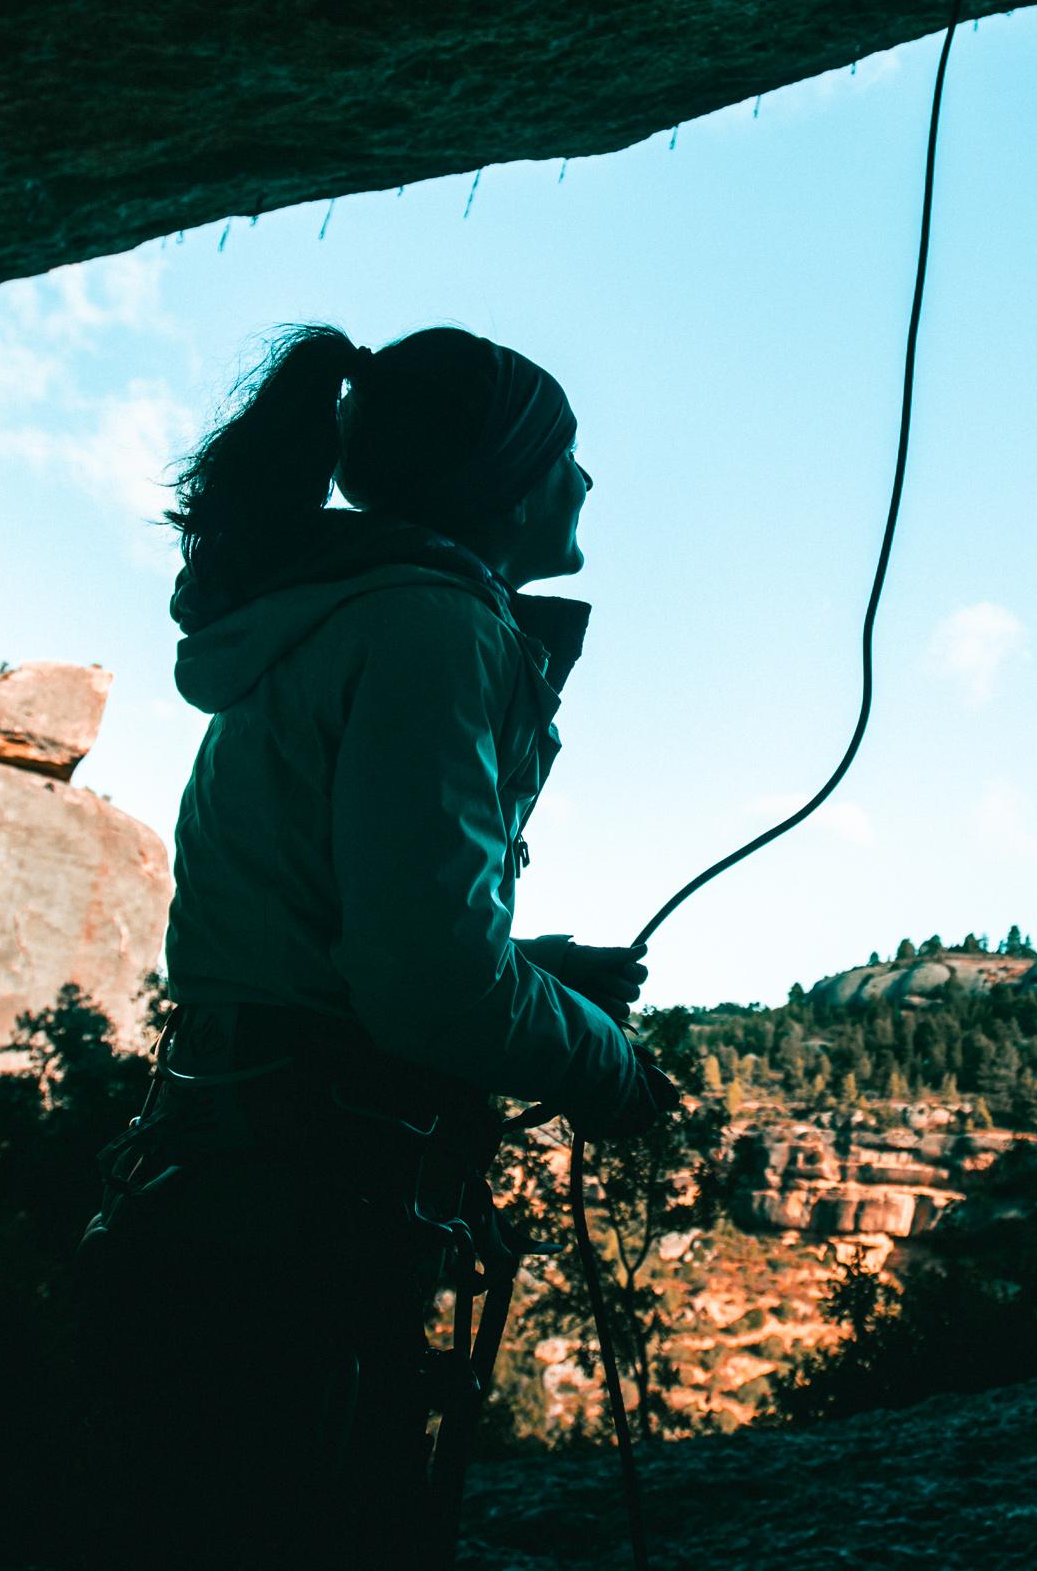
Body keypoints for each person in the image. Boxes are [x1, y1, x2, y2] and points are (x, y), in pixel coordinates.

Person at [81, 323, 679, 1568]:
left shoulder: (334, 612)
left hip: (220, 1192)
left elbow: (316, 922)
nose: (584, 480)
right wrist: (606, 1065)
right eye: (564, 453)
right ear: (506, 482)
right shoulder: (432, 626)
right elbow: (428, 982)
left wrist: (538, 970)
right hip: (301, 1233)